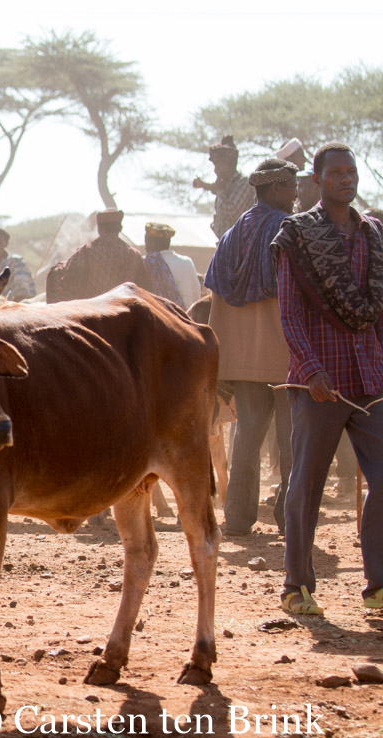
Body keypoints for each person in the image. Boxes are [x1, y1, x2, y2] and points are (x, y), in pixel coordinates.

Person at [271, 143, 383, 614]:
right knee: (305, 487)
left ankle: (378, 585)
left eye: (351, 172)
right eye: (336, 173)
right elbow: (290, 314)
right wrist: (312, 370)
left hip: (371, 380)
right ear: (315, 181)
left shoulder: (373, 235)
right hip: (320, 382)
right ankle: (296, 588)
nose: (346, 179)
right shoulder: (296, 236)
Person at [204, 158, 299, 538]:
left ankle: (239, 518)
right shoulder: (290, 230)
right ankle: (290, 517)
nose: (295, 195)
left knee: (247, 436)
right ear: (275, 189)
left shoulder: (232, 234)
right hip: (288, 356)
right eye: (291, 187)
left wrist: (221, 357)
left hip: (241, 358)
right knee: (293, 441)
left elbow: (215, 295)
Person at [46, 209, 150, 302]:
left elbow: (66, 281)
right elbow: (145, 291)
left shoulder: (85, 253)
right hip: (125, 319)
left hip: (92, 318)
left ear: (99, 229)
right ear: (120, 228)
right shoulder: (134, 255)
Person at [195, 136, 256, 238]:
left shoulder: (244, 183)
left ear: (227, 163)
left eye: (217, 164)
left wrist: (220, 189)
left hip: (237, 246)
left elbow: (232, 211)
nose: (215, 170)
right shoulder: (225, 185)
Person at [144, 222, 200, 308]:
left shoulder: (143, 262)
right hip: (184, 318)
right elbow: (195, 296)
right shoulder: (185, 262)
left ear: (150, 242)